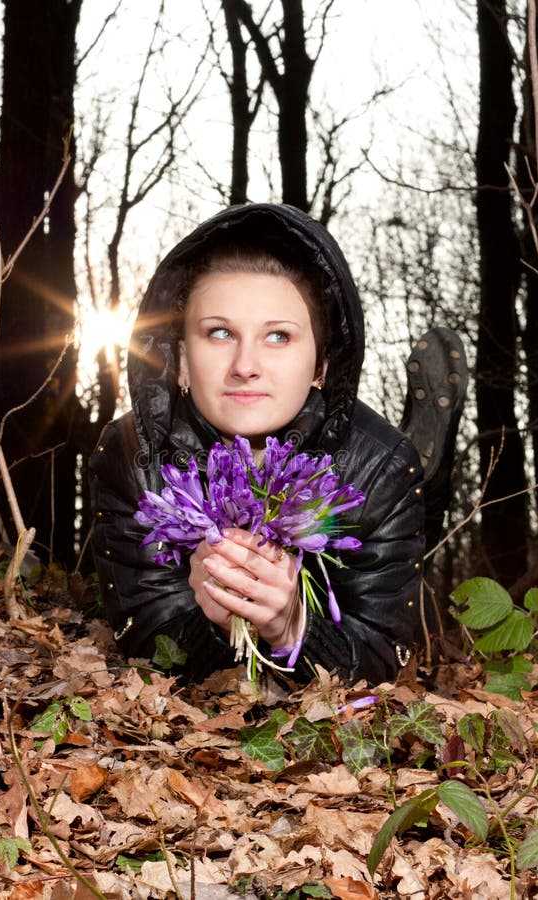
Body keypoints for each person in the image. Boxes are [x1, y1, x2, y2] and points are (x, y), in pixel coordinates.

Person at [89, 203, 467, 686]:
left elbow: (382, 656)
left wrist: (293, 627)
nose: (245, 366)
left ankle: (429, 484)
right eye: (220, 333)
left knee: (415, 549)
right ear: (180, 358)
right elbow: (144, 638)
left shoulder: (377, 466)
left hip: (372, 480)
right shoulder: (133, 456)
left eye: (279, 337)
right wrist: (213, 623)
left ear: (321, 366)